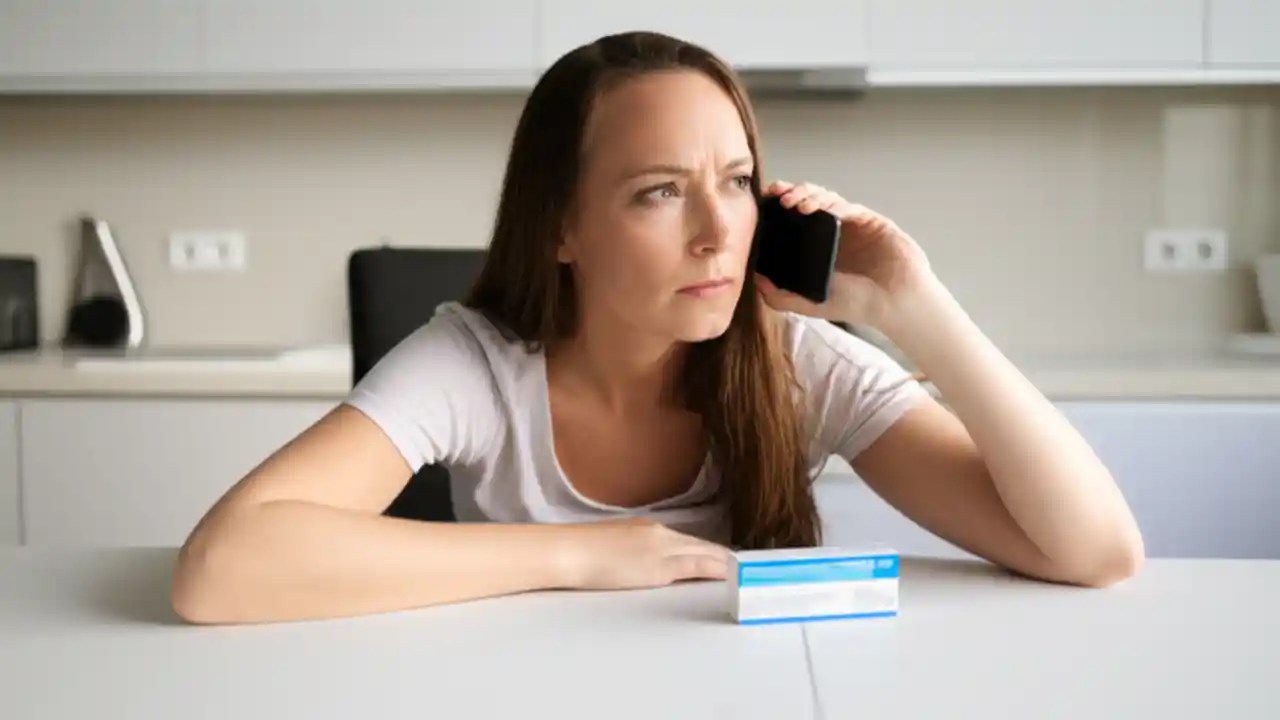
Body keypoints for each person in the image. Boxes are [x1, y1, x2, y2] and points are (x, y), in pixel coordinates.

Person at [170, 31, 1143, 625]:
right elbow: (221, 569)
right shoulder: (474, 363)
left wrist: (914, 308)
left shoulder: (796, 362)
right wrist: (581, 554)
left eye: (733, 182)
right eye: (657, 193)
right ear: (559, 226)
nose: (718, 232)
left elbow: (1093, 552)